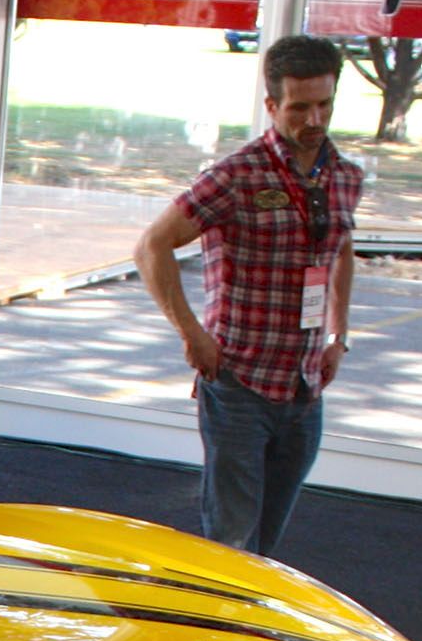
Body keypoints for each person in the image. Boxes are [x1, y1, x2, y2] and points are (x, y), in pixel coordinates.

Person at [135, 33, 360, 557]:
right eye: (299, 107)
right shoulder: (236, 176)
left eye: (324, 105)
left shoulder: (345, 177)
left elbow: (341, 251)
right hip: (240, 383)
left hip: (305, 387)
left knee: (268, 548)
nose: (314, 120)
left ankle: (249, 632)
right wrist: (192, 334)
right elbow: (151, 247)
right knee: (232, 544)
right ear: (272, 105)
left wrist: (337, 335)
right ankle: (218, 632)